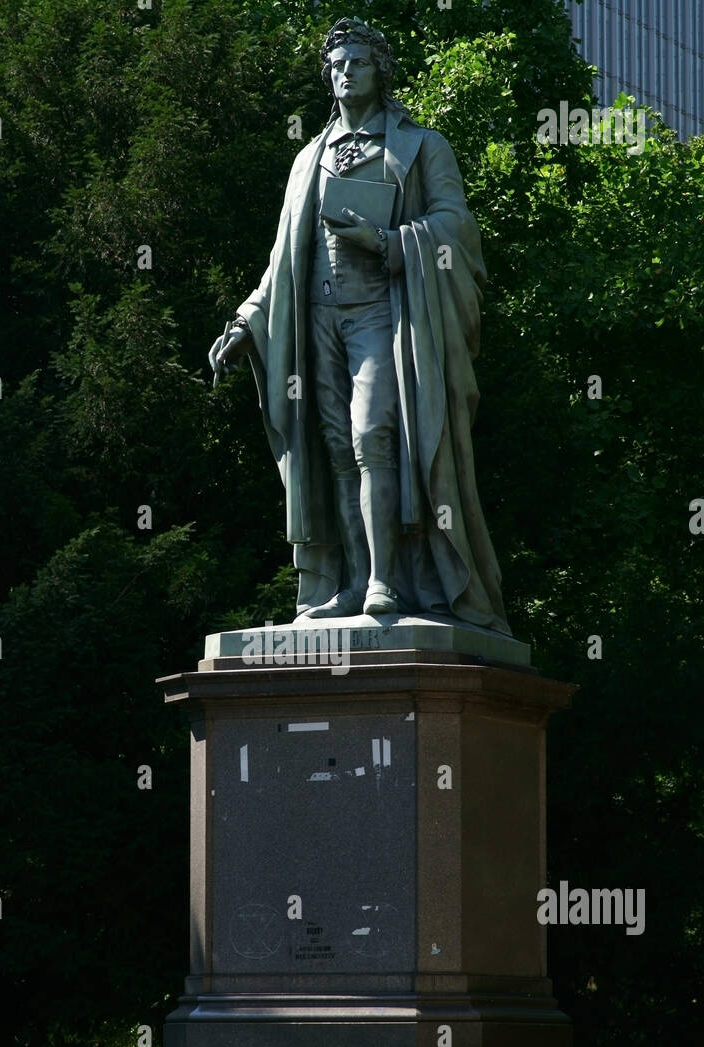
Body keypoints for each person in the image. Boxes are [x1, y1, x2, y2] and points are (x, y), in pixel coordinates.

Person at [210, 17, 510, 630]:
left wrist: (387, 242)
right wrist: (247, 321)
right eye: (337, 66)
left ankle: (384, 580)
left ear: (381, 72)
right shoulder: (307, 159)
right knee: (336, 453)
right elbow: (283, 260)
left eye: (358, 63)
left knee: (372, 435)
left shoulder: (420, 146)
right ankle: (351, 582)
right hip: (315, 320)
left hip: (384, 314)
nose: (345, 74)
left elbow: (458, 231)